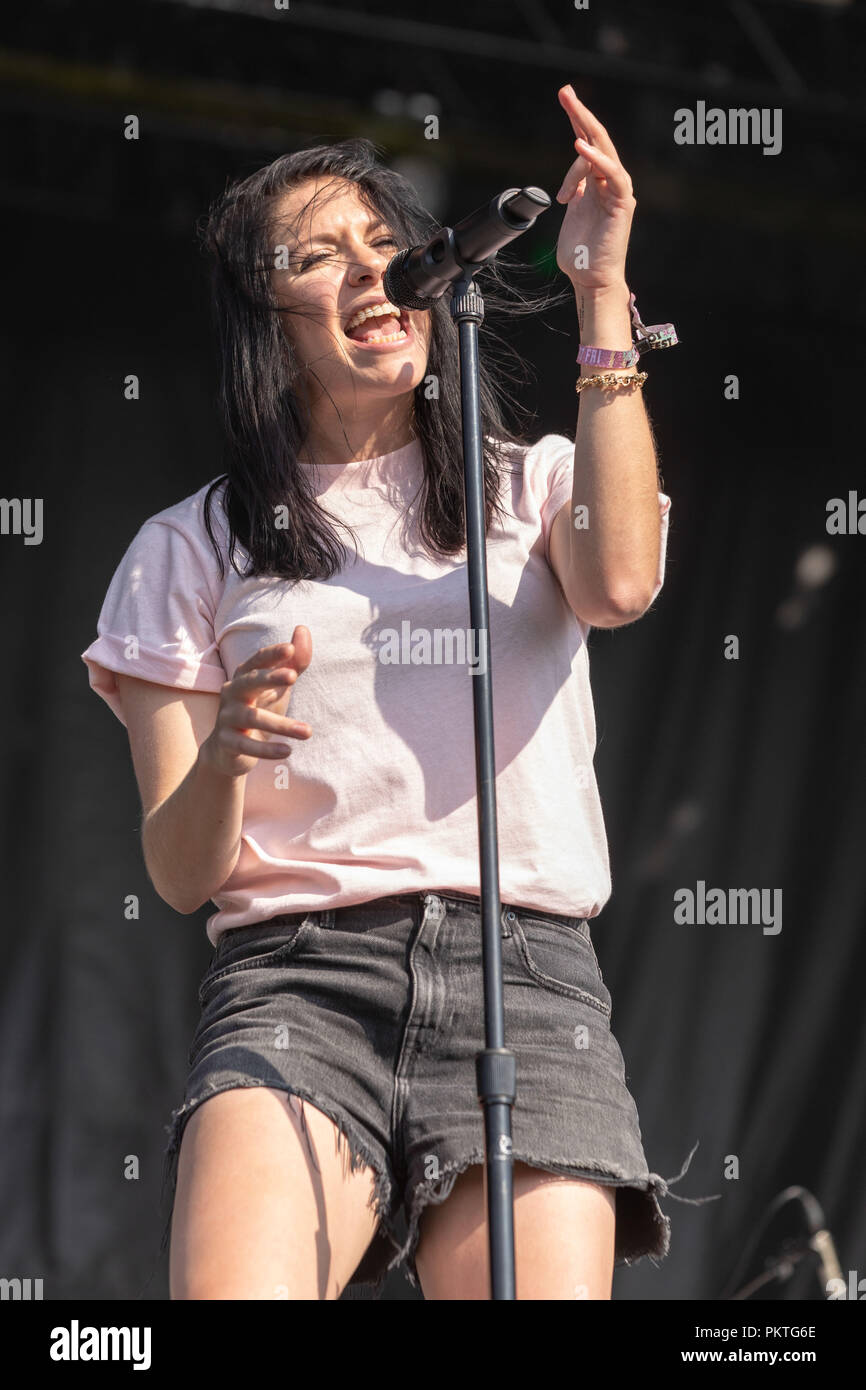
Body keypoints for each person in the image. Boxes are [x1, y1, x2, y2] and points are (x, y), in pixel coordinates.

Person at [81, 85, 689, 1300]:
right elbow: (181, 869)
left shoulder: (528, 485)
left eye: (381, 243)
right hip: (299, 978)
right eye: (316, 256)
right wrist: (227, 756)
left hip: (527, 969)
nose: (370, 272)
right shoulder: (190, 548)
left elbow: (619, 582)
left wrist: (597, 288)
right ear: (267, 316)